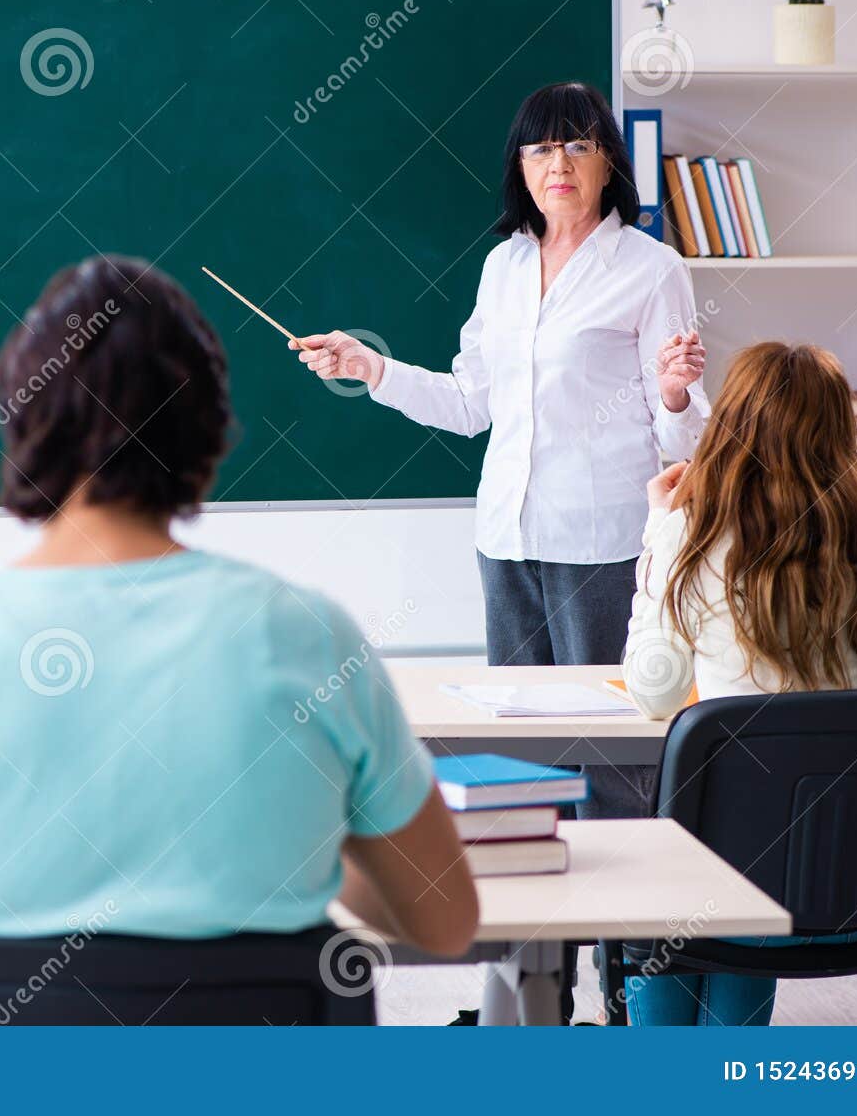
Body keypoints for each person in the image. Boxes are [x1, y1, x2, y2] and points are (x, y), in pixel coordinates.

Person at [0, 255, 479, 1014]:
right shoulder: (309, 638)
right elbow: (445, 921)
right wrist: (315, 836)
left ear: (22, 416)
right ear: (208, 428)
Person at [290, 81, 708, 819]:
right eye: (543, 148)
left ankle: (624, 936)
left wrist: (676, 395)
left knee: (612, 753)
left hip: (602, 544)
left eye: (580, 146)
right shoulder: (505, 266)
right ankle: (536, 928)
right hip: (506, 539)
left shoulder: (650, 270)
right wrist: (370, 367)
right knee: (519, 761)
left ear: (609, 163)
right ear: (520, 167)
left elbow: (679, 440)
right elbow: (466, 403)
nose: (561, 163)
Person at [621, 341, 857, 1025]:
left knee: (669, 882)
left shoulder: (696, 534)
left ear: (729, 426)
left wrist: (659, 537)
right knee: (756, 862)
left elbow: (654, 696)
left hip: (732, 895)